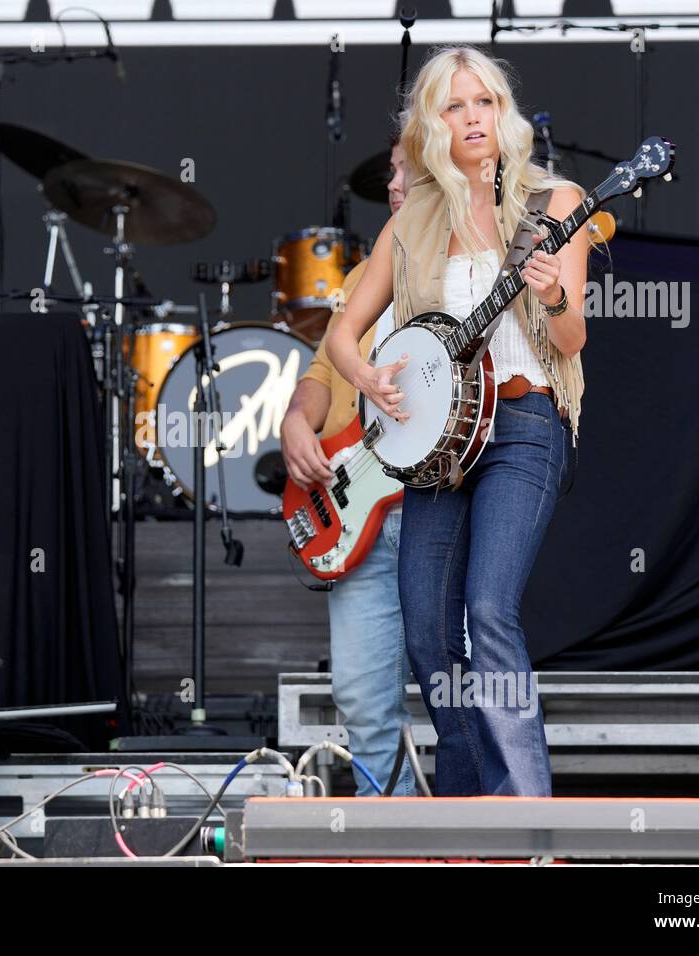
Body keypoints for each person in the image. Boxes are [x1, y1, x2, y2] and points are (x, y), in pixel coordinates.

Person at [324, 46, 588, 796]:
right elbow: (344, 331)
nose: (473, 118)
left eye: (485, 103)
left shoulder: (553, 203)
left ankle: (527, 813)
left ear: (504, 115)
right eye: (455, 106)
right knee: (425, 635)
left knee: (488, 610)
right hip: (441, 447)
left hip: (525, 424)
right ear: (432, 125)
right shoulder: (414, 218)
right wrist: (367, 377)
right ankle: (470, 806)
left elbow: (571, 342)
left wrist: (552, 297)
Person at [281, 136, 417, 797]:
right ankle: (389, 846)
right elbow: (321, 370)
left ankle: (474, 842)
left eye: (405, 172)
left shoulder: (468, 270)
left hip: (428, 507)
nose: (390, 184)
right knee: (361, 696)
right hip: (351, 510)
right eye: (389, 172)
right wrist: (294, 421)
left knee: (464, 698)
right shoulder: (364, 274)